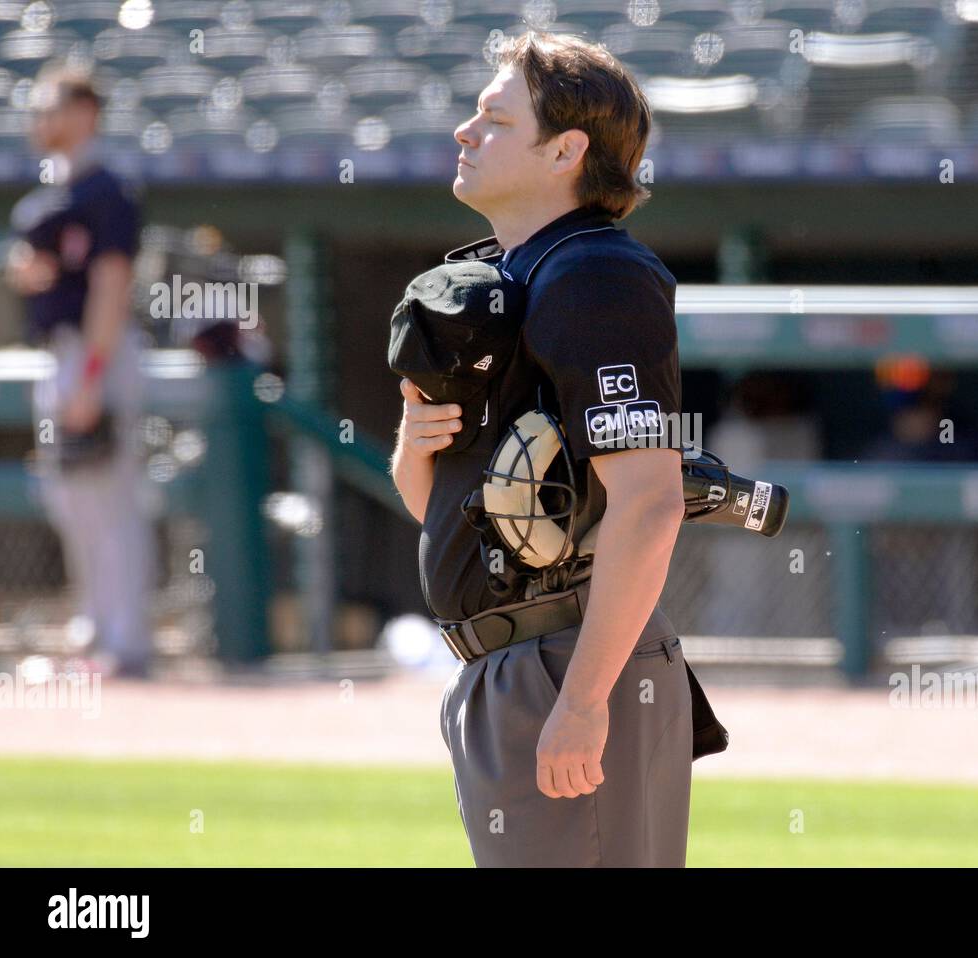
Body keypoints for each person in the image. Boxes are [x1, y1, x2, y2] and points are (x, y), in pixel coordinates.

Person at [389, 32, 694, 866]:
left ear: (565, 150)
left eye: (494, 117)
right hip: (507, 667)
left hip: (569, 658)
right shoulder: (504, 276)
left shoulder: (595, 274)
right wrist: (414, 449)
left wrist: (587, 701)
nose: (465, 130)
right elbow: (447, 514)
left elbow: (651, 501)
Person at [4, 64, 155, 679]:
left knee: (110, 498)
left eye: (52, 108)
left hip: (100, 351)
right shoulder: (51, 195)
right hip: (61, 352)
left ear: (86, 112)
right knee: (70, 498)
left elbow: (111, 286)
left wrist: (91, 376)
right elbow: (39, 262)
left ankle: (126, 643)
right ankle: (94, 631)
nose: (40, 120)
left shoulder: (106, 192)